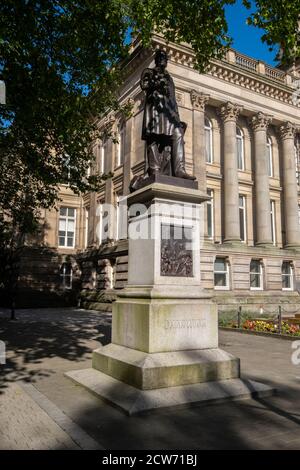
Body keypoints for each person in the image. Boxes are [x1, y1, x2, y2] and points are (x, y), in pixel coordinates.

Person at [140, 49, 195, 180]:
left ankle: (179, 169)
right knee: (153, 137)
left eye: (165, 57)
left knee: (178, 134)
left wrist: (177, 116)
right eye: (160, 57)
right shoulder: (149, 72)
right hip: (155, 110)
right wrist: (156, 83)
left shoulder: (169, 77)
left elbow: (173, 99)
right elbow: (144, 85)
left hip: (170, 113)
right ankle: (154, 169)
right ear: (156, 60)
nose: (163, 59)